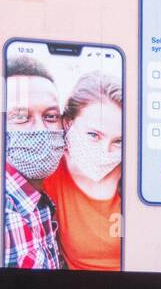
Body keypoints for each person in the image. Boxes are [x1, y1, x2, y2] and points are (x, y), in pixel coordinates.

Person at [44, 72, 124, 271]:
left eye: (118, 141)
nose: (105, 151)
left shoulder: (138, 177)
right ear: (68, 123)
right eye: (94, 135)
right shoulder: (47, 174)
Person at [2, 55, 66, 269]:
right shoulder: (3, 213)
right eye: (20, 117)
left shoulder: (41, 204)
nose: (39, 129)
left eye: (50, 116)